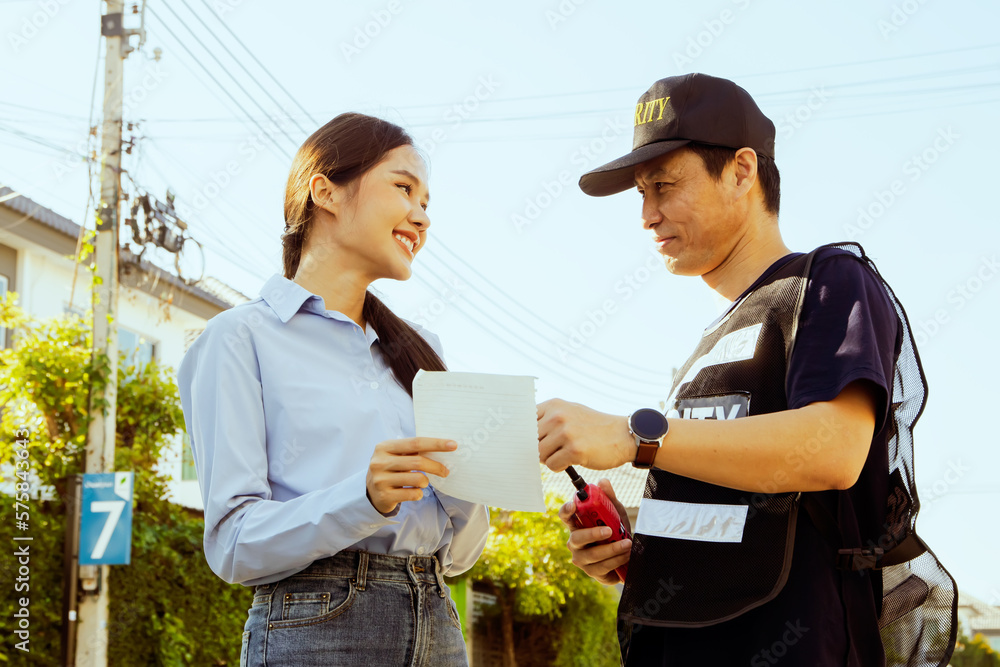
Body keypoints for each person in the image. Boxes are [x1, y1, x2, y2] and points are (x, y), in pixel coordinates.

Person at [536, 74, 956, 666]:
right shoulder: (708, 344)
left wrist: (631, 435)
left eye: (664, 185)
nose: (647, 215)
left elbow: (831, 450)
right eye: (640, 193)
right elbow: (746, 514)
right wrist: (645, 546)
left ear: (740, 171)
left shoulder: (829, 282)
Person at [177, 113, 489, 667]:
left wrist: (479, 478)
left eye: (427, 202)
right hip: (316, 622)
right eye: (404, 188)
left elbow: (461, 556)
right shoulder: (238, 338)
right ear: (325, 190)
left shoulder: (425, 350)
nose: (421, 216)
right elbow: (232, 543)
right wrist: (362, 499)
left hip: (436, 618)